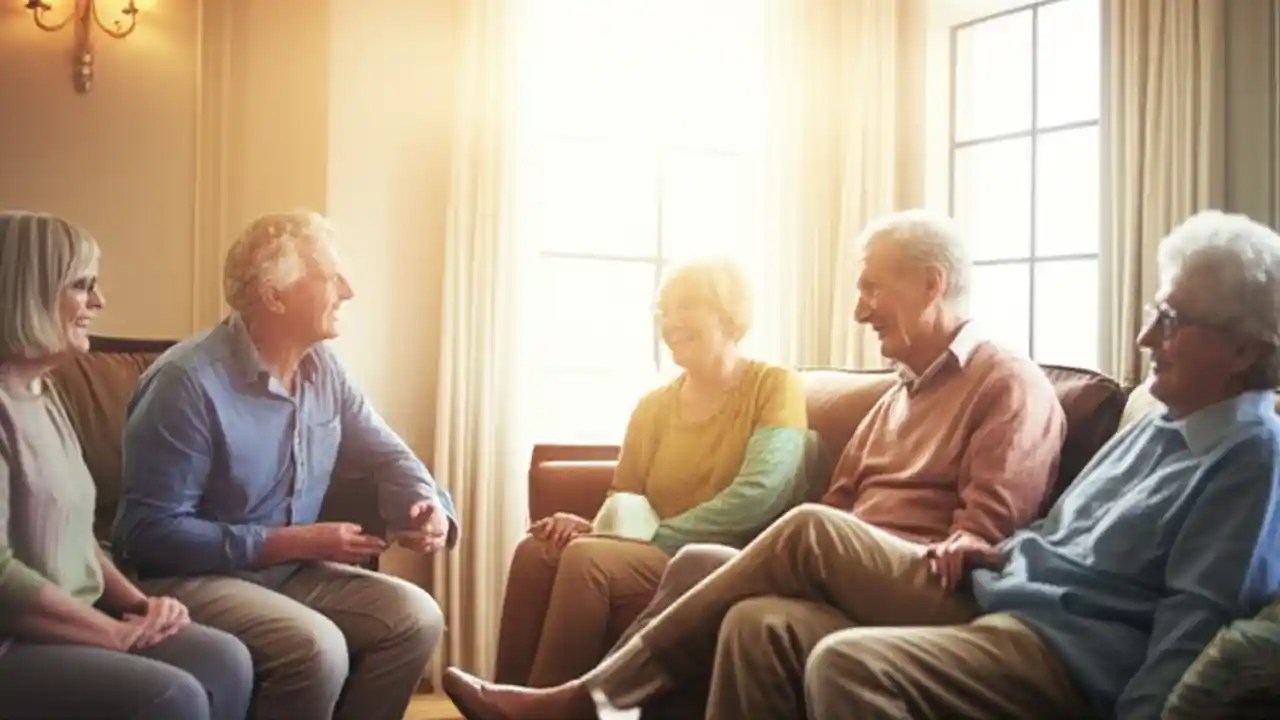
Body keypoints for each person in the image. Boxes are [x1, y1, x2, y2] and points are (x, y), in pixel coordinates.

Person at [445, 209, 1280, 720]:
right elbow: (1045, 539)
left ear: (931, 284)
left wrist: (978, 547)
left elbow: (1185, 620)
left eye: (1170, 321)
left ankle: (584, 704)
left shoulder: (1026, 388)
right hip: (982, 590)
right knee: (750, 618)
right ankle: (594, 703)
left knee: (805, 535)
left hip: (957, 593)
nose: (1145, 341)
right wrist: (999, 556)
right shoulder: (1150, 428)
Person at [592, 208, 1071, 713]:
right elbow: (841, 502)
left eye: (872, 289)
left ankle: (598, 695)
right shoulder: (897, 396)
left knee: (810, 528)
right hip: (859, 582)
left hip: (943, 586)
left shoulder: (1008, 383)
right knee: (738, 606)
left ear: (932, 285)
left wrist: (962, 538)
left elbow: (984, 540)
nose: (860, 312)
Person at [111, 210, 459, 720]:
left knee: (416, 616)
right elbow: (144, 535)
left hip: (287, 573)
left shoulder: (323, 370)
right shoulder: (186, 384)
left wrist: (426, 506)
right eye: (330, 276)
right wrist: (291, 542)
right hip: (191, 576)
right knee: (315, 647)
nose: (348, 290)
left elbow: (389, 454)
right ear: (274, 297)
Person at [495, 258, 810, 687]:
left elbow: (760, 494)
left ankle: (548, 711)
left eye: (687, 307)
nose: (671, 321)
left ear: (729, 316)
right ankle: (503, 703)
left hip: (725, 555)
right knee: (538, 552)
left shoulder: (773, 385)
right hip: (654, 548)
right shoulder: (654, 405)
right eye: (666, 309)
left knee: (590, 560)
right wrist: (590, 526)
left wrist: (640, 539)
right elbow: (625, 499)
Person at [0, 211, 253, 720]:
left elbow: (78, 538)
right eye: (81, 285)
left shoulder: (42, 391)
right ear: (28, 289)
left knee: (226, 659)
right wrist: (110, 634)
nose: (99, 302)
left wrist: (138, 606)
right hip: (14, 640)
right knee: (170, 697)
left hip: (76, 620)